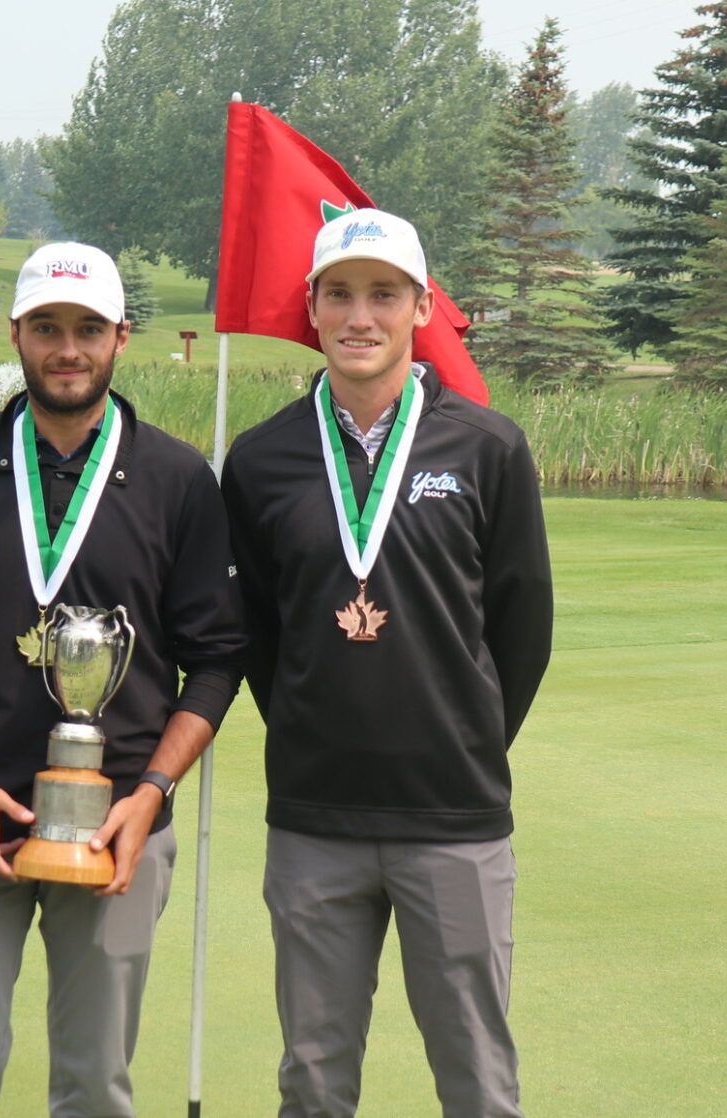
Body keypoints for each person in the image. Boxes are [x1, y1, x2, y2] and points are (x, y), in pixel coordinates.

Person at [0, 242, 246, 1118]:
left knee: (96, 1091)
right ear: (17, 334)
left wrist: (150, 795)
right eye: (46, 328)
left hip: (117, 828)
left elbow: (219, 658)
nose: (67, 349)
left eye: (87, 329)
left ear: (121, 337)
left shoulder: (178, 478)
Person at [220, 208, 554, 1118]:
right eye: (339, 295)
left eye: (383, 295)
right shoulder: (261, 459)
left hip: (453, 817)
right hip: (313, 818)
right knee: (313, 1082)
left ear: (422, 307)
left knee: (477, 1080)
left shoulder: (488, 448)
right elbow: (257, 633)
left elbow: (522, 628)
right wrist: (314, 717)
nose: (360, 316)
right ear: (312, 309)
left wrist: (460, 733)